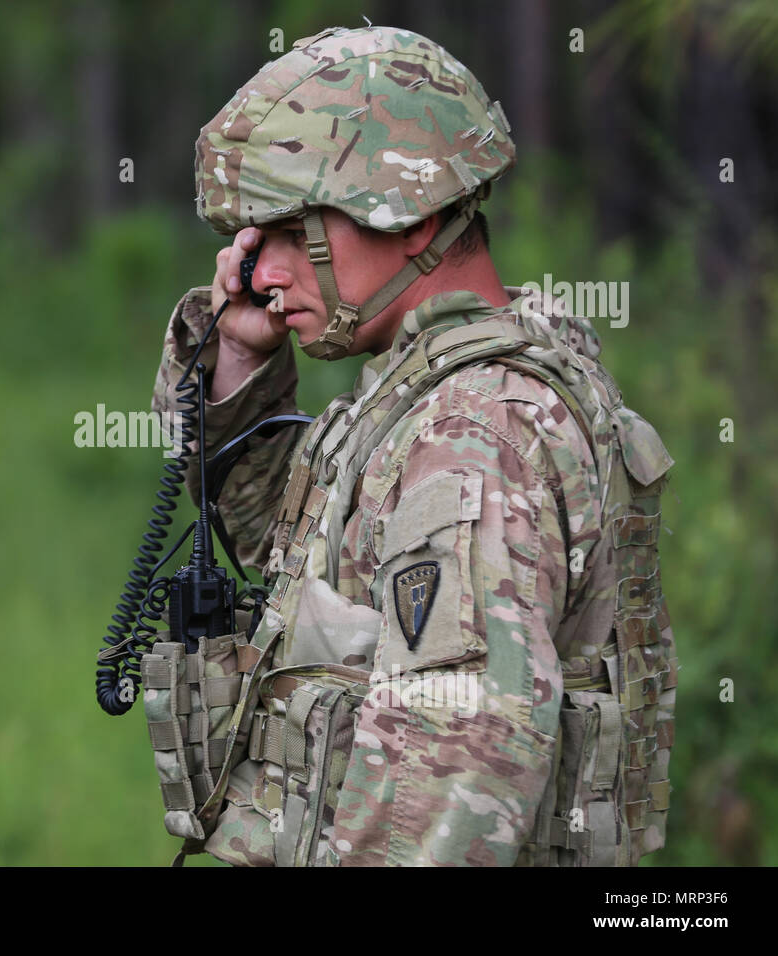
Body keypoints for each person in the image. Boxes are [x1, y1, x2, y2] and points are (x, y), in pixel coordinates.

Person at [144, 25, 678, 866]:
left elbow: (450, 784)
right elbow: (300, 558)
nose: (262, 271)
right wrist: (239, 361)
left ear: (413, 216)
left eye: (291, 232)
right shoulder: (433, 390)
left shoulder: (475, 435)